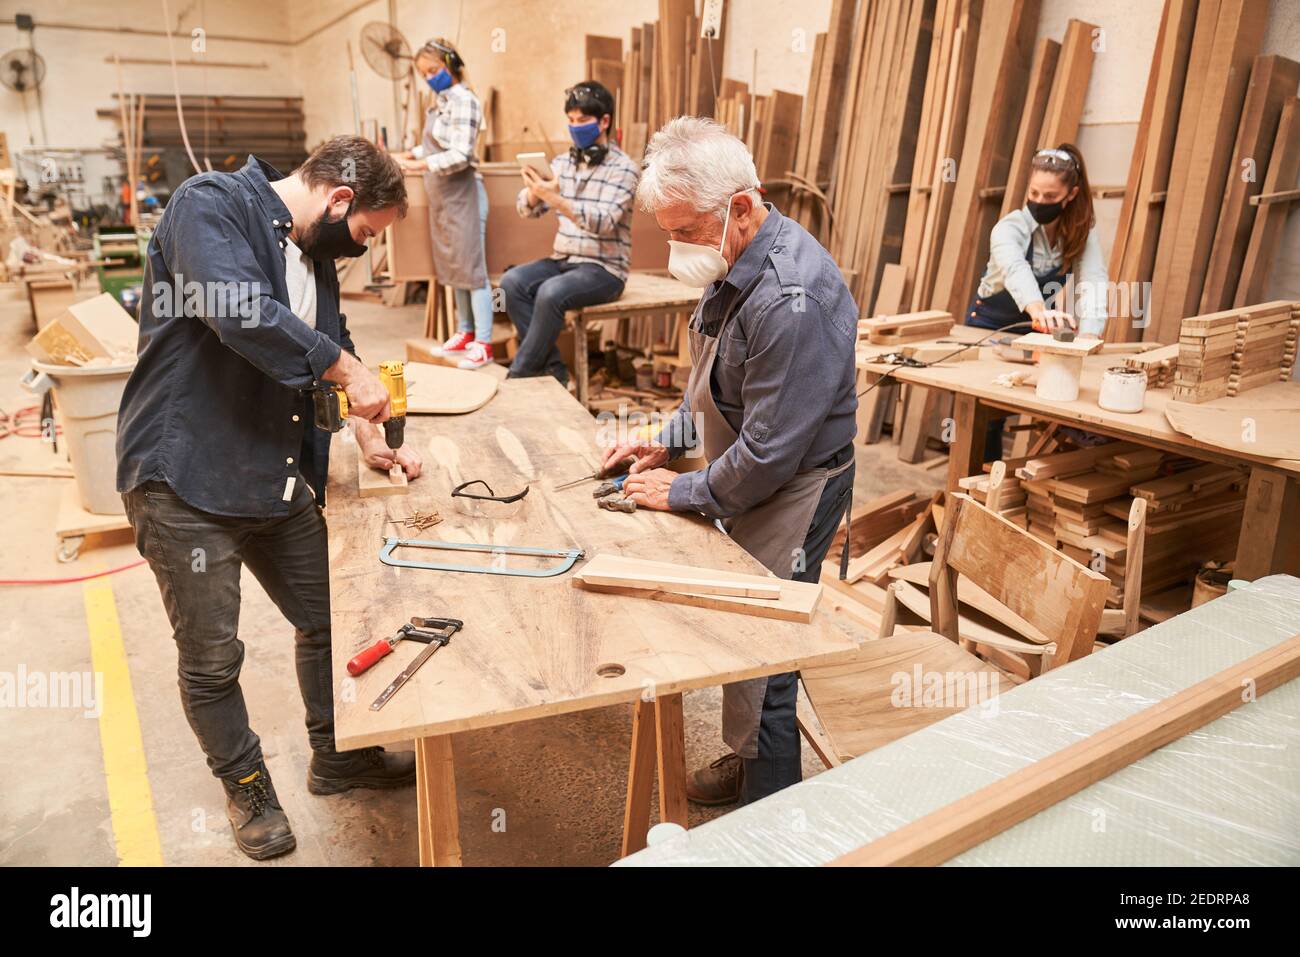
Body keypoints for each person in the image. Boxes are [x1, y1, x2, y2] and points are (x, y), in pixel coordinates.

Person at [116, 136, 423, 861]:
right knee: (213, 654)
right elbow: (242, 313)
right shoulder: (208, 206)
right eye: (367, 234)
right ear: (338, 200)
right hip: (185, 476)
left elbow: (327, 338)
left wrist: (363, 430)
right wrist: (346, 369)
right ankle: (247, 783)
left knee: (329, 617)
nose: (363, 249)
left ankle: (337, 754)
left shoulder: (313, 250)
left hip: (275, 472)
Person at [599, 117, 859, 807]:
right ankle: (749, 761)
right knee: (739, 646)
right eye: (669, 233)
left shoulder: (787, 297)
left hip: (796, 486)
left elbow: (771, 453)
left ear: (743, 205)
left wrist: (683, 490)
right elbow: (715, 376)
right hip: (754, 467)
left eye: (685, 232)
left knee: (763, 662)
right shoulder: (733, 259)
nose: (678, 249)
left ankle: (772, 823)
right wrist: (670, 436)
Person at [966, 143, 1108, 457]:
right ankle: (977, 483)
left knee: (1041, 400)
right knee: (986, 415)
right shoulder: (1010, 227)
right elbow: (1015, 269)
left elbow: (1094, 280)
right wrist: (1037, 308)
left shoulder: (1082, 231)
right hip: (988, 327)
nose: (1039, 202)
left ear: (1070, 195)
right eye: (1034, 193)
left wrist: (1089, 334)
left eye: (1050, 197)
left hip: (1033, 332)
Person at [500, 81, 639, 385]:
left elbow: (603, 223)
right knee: (510, 284)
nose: (575, 127)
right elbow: (527, 209)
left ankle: (518, 376)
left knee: (550, 294)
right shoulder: (562, 163)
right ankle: (555, 371)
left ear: (604, 121)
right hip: (563, 258)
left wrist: (557, 199)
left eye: (583, 121)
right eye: (571, 121)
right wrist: (536, 193)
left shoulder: (625, 168)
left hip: (604, 268)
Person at [397, 38, 495, 370]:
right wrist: (408, 155)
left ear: (452, 64)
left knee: (473, 270)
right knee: (453, 267)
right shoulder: (440, 102)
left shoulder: (465, 100)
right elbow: (436, 144)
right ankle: (464, 333)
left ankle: (484, 342)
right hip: (443, 196)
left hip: (463, 193)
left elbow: (461, 154)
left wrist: (419, 166)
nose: (429, 77)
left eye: (434, 70)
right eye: (424, 73)